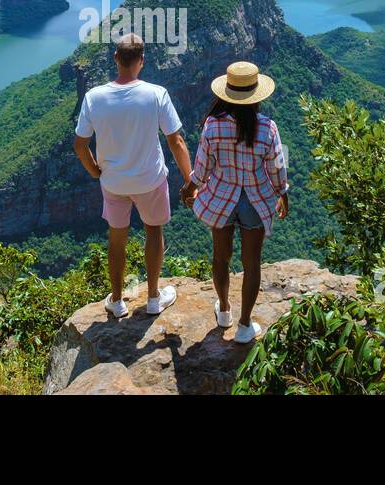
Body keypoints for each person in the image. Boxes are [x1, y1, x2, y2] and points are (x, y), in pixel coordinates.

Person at [73, 33, 194, 318]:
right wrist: (191, 181)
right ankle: (153, 298)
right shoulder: (156, 94)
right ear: (141, 61)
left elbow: (80, 145)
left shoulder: (94, 97)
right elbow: (176, 142)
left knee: (117, 240)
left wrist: (95, 172)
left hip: (113, 182)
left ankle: (116, 301)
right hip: (150, 180)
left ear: (116, 59)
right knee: (154, 232)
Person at [180, 61, 288, 344]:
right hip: (255, 201)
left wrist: (190, 187)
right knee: (252, 264)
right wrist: (282, 194)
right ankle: (244, 325)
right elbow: (277, 167)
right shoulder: (267, 128)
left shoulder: (212, 126)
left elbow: (203, 168)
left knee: (220, 257)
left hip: (221, 199)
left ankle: (224, 310)